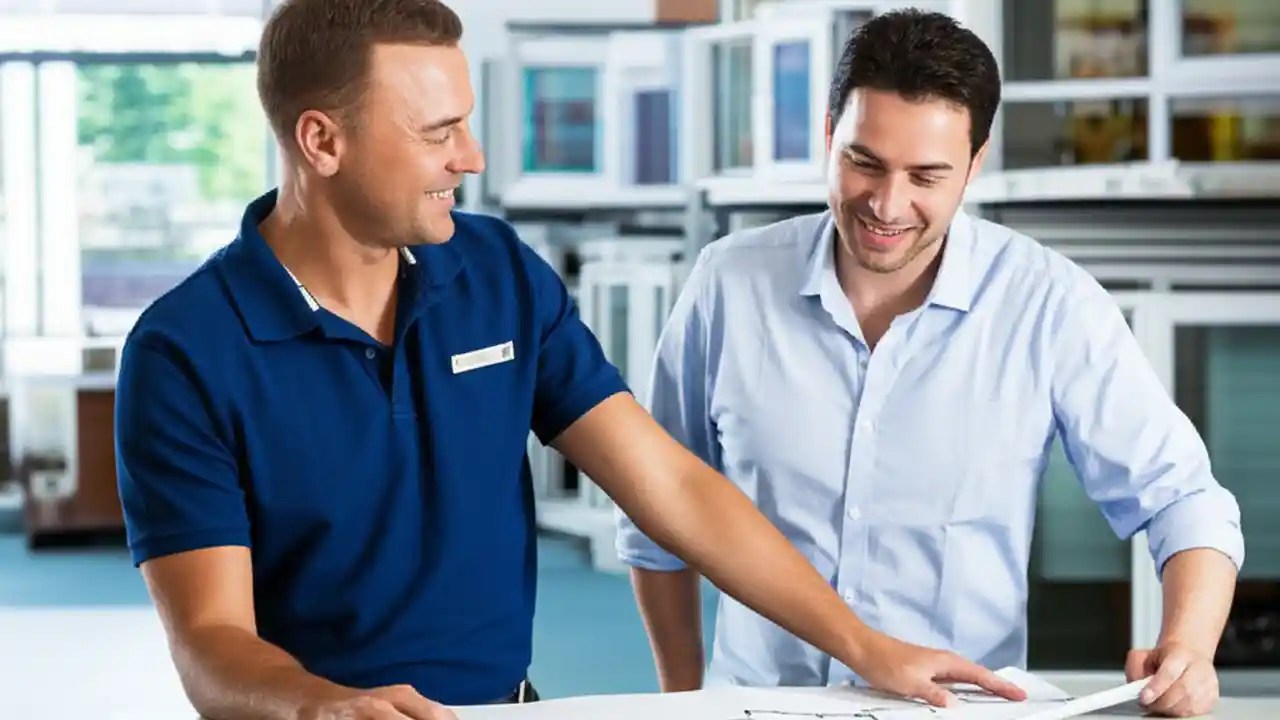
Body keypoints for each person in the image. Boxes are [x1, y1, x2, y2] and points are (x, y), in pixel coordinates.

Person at [113, 2, 1028, 719]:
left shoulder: (497, 273)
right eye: (437, 133)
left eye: (463, 125)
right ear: (322, 141)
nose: (468, 157)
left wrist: (866, 647)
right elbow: (211, 641)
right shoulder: (184, 352)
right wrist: (325, 706)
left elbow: (670, 487)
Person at [616, 9, 1244, 720]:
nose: (887, 205)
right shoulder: (727, 284)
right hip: (756, 703)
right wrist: (681, 697)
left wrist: (1190, 644)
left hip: (960, 710)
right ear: (829, 138)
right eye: (864, 162)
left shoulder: (1050, 305)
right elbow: (656, 512)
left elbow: (1183, 499)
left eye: (926, 175)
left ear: (976, 164)